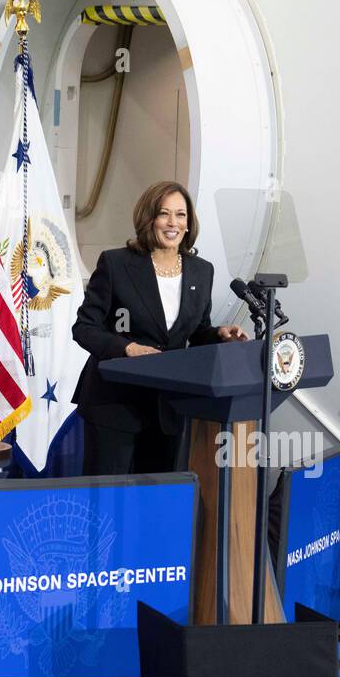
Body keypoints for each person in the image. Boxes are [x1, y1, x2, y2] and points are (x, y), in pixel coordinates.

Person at [72, 180, 249, 475]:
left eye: (181, 215)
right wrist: (127, 348)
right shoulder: (116, 263)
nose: (172, 223)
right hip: (114, 405)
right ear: (149, 218)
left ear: (189, 223)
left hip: (167, 407)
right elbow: (84, 327)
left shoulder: (202, 270)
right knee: (107, 498)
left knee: (157, 496)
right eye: (164, 214)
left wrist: (218, 334)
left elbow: (195, 332)